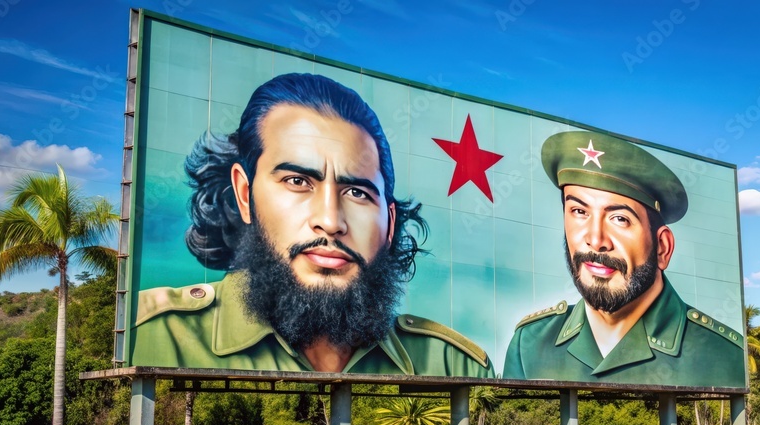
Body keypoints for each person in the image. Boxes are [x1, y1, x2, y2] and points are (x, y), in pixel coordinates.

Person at [133, 73, 493, 377]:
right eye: (297, 182)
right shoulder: (149, 336)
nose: (330, 221)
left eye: (357, 192)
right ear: (245, 195)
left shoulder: (456, 367)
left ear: (391, 223)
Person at [503, 131, 743, 388]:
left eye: (620, 219)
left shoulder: (726, 357)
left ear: (662, 248)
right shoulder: (528, 346)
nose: (596, 240)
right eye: (579, 211)